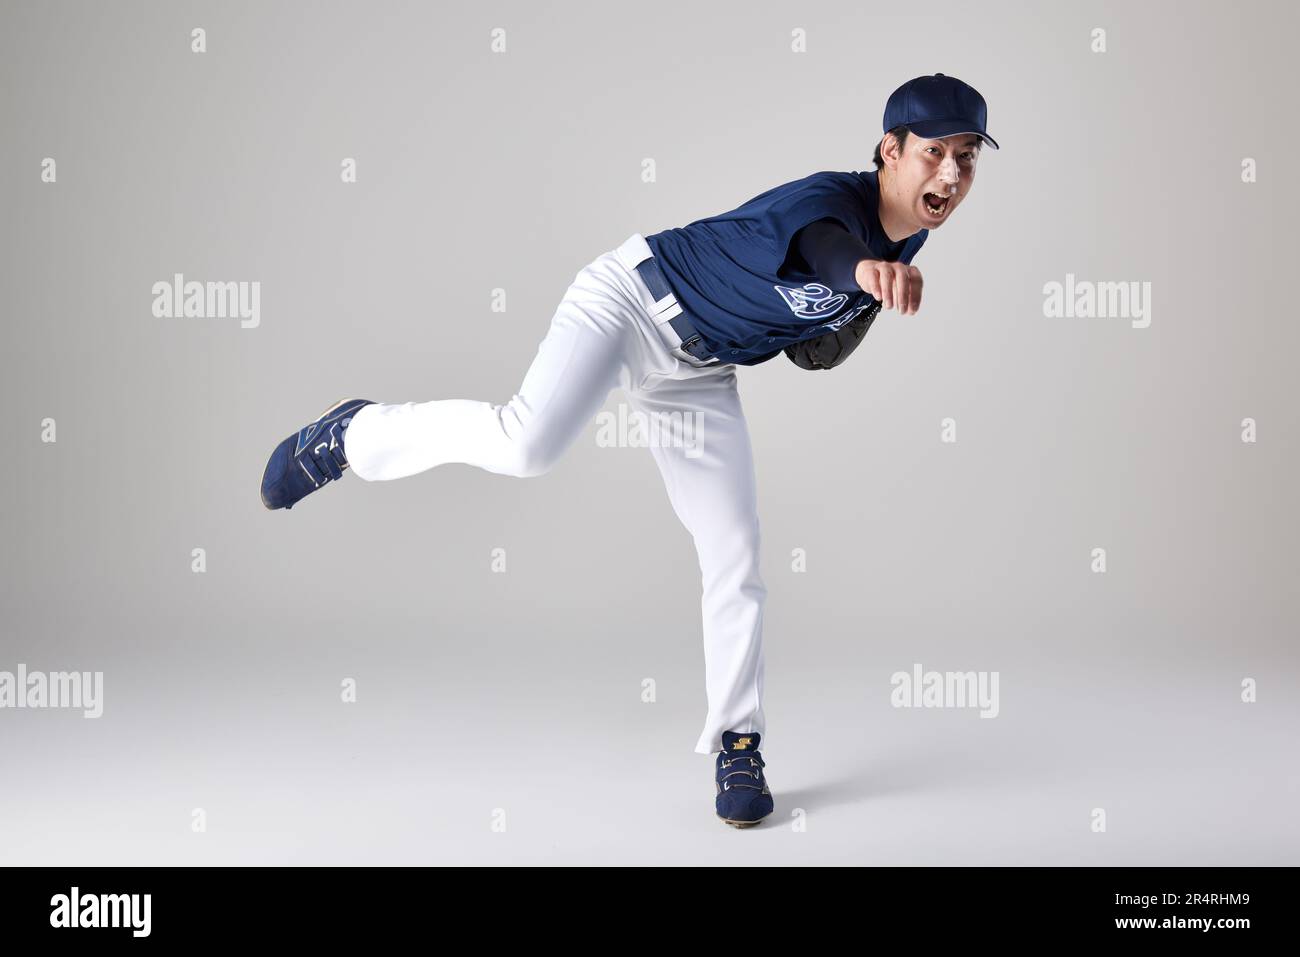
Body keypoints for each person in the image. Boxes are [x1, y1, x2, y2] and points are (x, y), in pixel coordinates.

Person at [260, 73, 998, 828]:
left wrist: (859, 290)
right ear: (889, 149)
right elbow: (823, 245)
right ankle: (351, 432)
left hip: (701, 368)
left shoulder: (914, 227)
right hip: (628, 302)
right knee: (525, 443)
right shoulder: (830, 207)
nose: (950, 172)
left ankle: (738, 740)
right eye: (934, 151)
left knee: (734, 550)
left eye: (967, 155)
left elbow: (812, 344)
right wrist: (861, 275)